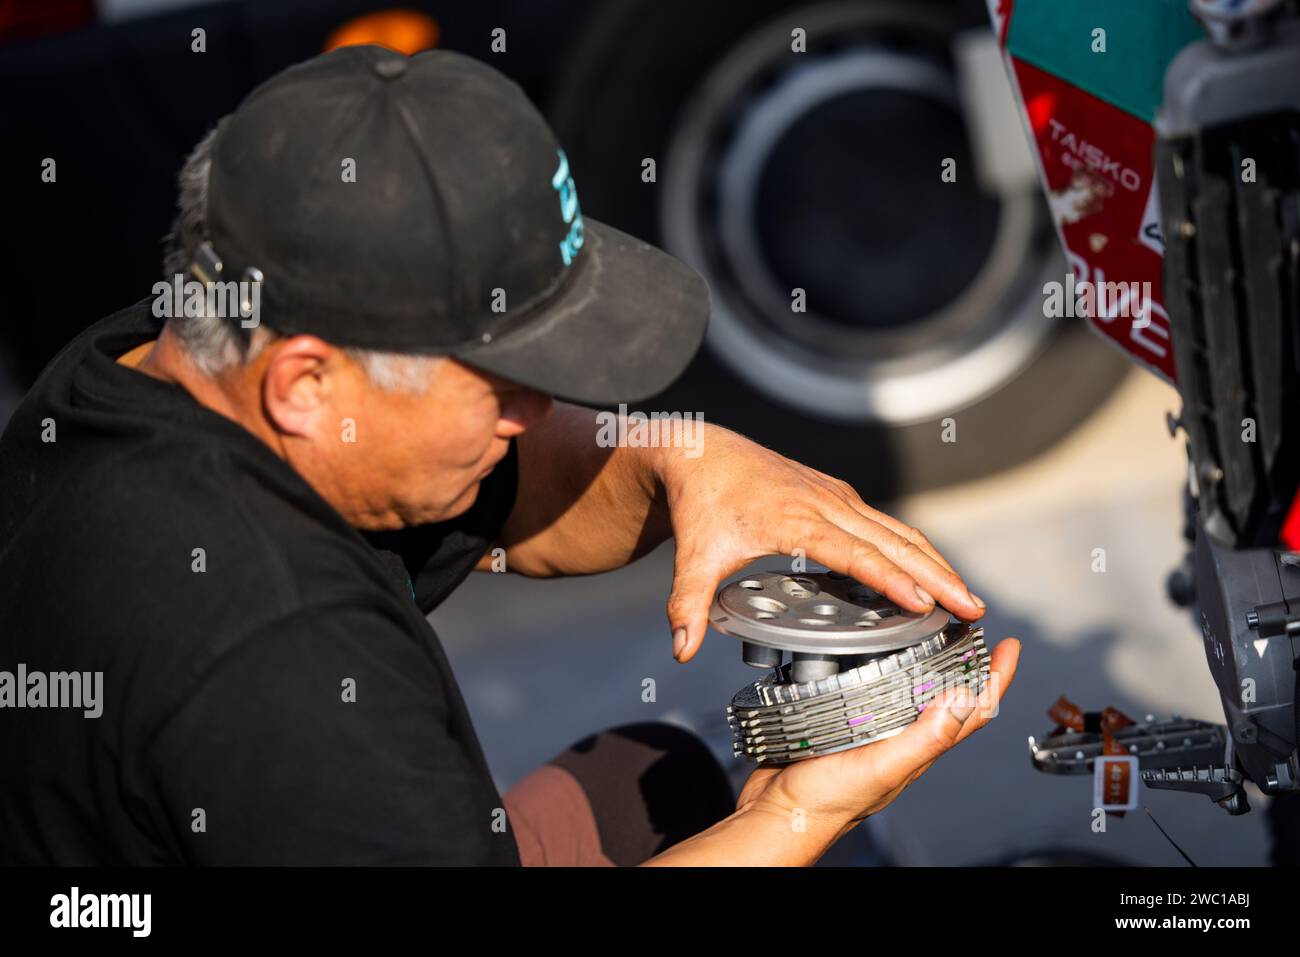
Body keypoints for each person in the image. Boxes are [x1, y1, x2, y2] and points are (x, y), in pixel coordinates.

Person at [0, 44, 1018, 866]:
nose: (540, 415)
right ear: (306, 386)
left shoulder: (155, 367)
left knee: (660, 777)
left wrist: (685, 459)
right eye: (503, 384)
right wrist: (797, 817)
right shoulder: (279, 670)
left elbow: (533, 501)